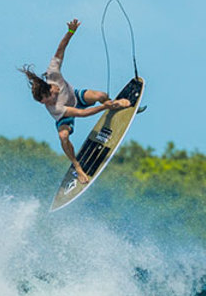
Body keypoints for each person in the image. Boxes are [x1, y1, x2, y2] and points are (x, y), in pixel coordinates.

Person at [20, 18, 132, 183]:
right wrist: (103, 108)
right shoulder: (55, 108)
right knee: (63, 137)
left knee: (100, 96)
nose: (46, 105)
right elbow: (82, 113)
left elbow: (61, 48)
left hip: (76, 96)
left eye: (46, 100)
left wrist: (71, 31)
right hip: (66, 115)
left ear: (50, 90)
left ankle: (113, 105)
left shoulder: (53, 72)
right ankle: (78, 168)